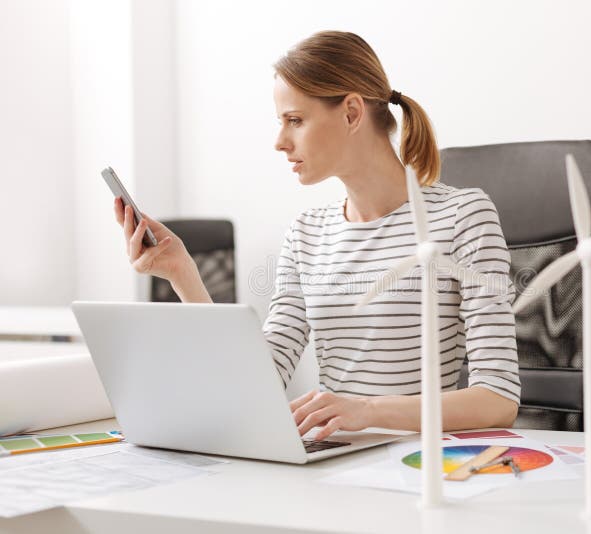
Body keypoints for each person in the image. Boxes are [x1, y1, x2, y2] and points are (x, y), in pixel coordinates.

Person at [113, 31, 520, 442]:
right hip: (333, 458)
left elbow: (498, 399)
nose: (279, 142)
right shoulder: (306, 233)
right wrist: (183, 274)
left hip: (416, 460)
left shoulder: (462, 216)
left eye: (295, 120)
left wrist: (366, 411)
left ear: (351, 113)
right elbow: (256, 382)